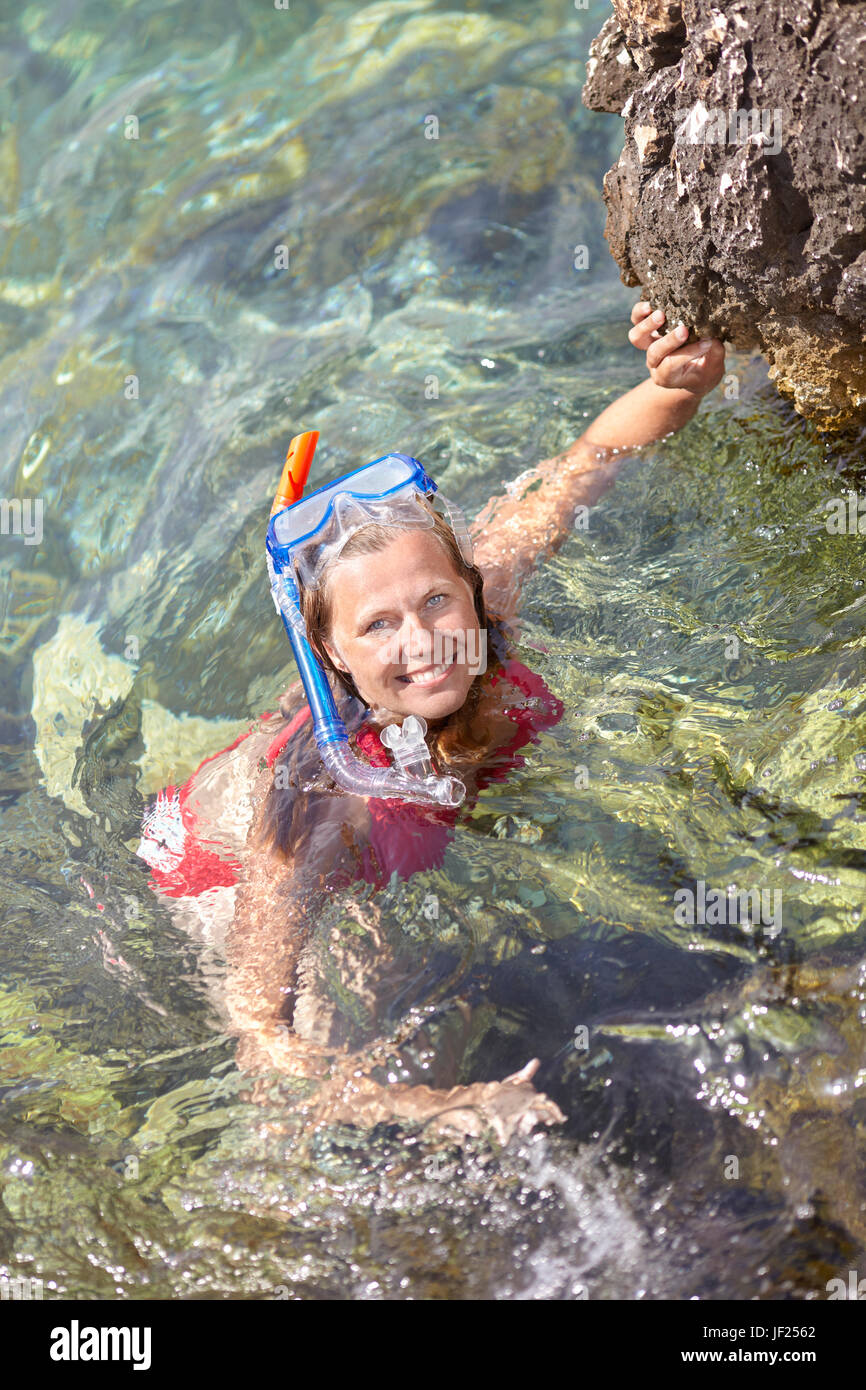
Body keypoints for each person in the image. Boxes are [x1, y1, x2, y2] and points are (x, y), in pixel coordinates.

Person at [137, 304, 725, 1141]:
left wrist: (677, 384)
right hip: (216, 870)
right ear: (332, 655)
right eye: (378, 626)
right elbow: (261, 1047)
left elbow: (590, 461)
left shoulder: (486, 602)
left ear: (471, 589)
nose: (426, 642)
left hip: (369, 788)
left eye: (437, 601)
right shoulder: (315, 816)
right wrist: (447, 1111)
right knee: (385, 1004)